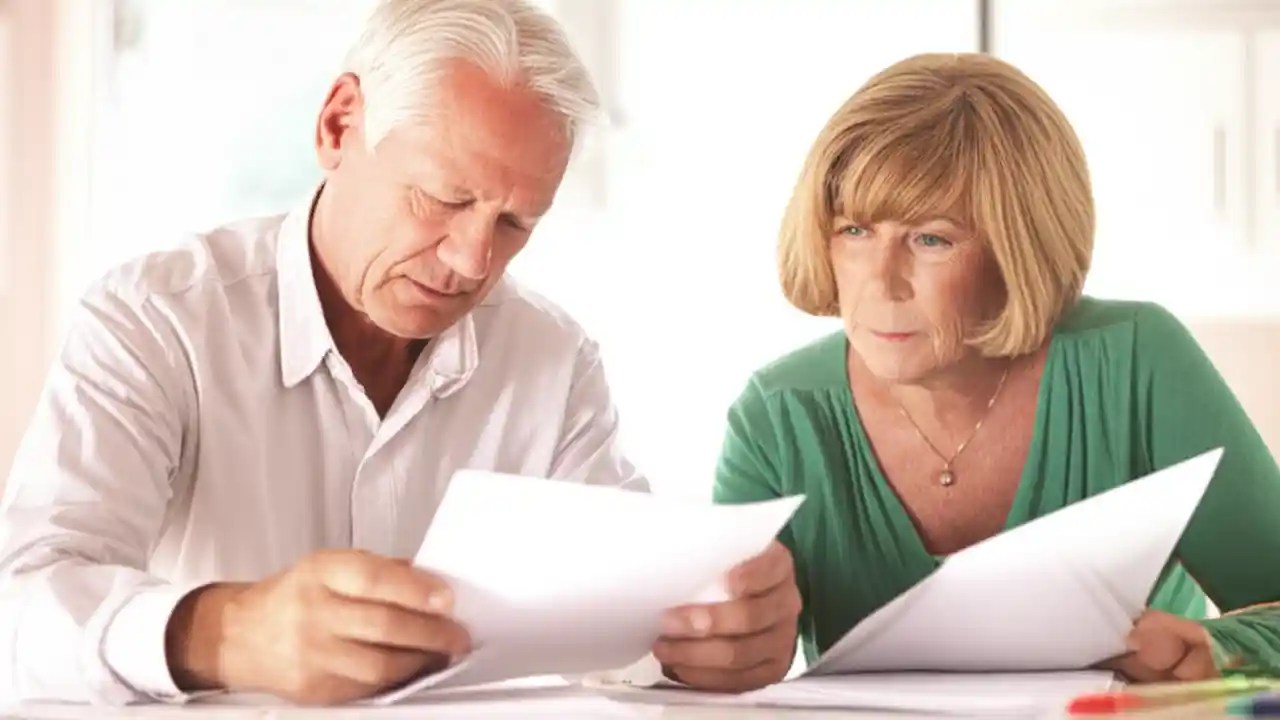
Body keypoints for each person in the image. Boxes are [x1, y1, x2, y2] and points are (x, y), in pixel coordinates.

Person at [0, 0, 798, 705]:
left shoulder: (552, 360)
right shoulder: (156, 319)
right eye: (444, 198)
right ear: (338, 125)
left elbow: (622, 612)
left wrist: (702, 639)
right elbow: (23, 604)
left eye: (515, 223)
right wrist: (226, 632)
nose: (472, 261)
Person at [714, 51, 1280, 684]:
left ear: (1022, 245)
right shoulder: (776, 415)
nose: (881, 282)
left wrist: (1206, 651)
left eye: (931, 239)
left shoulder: (1135, 361)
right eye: (854, 231)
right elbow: (722, 660)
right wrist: (722, 655)